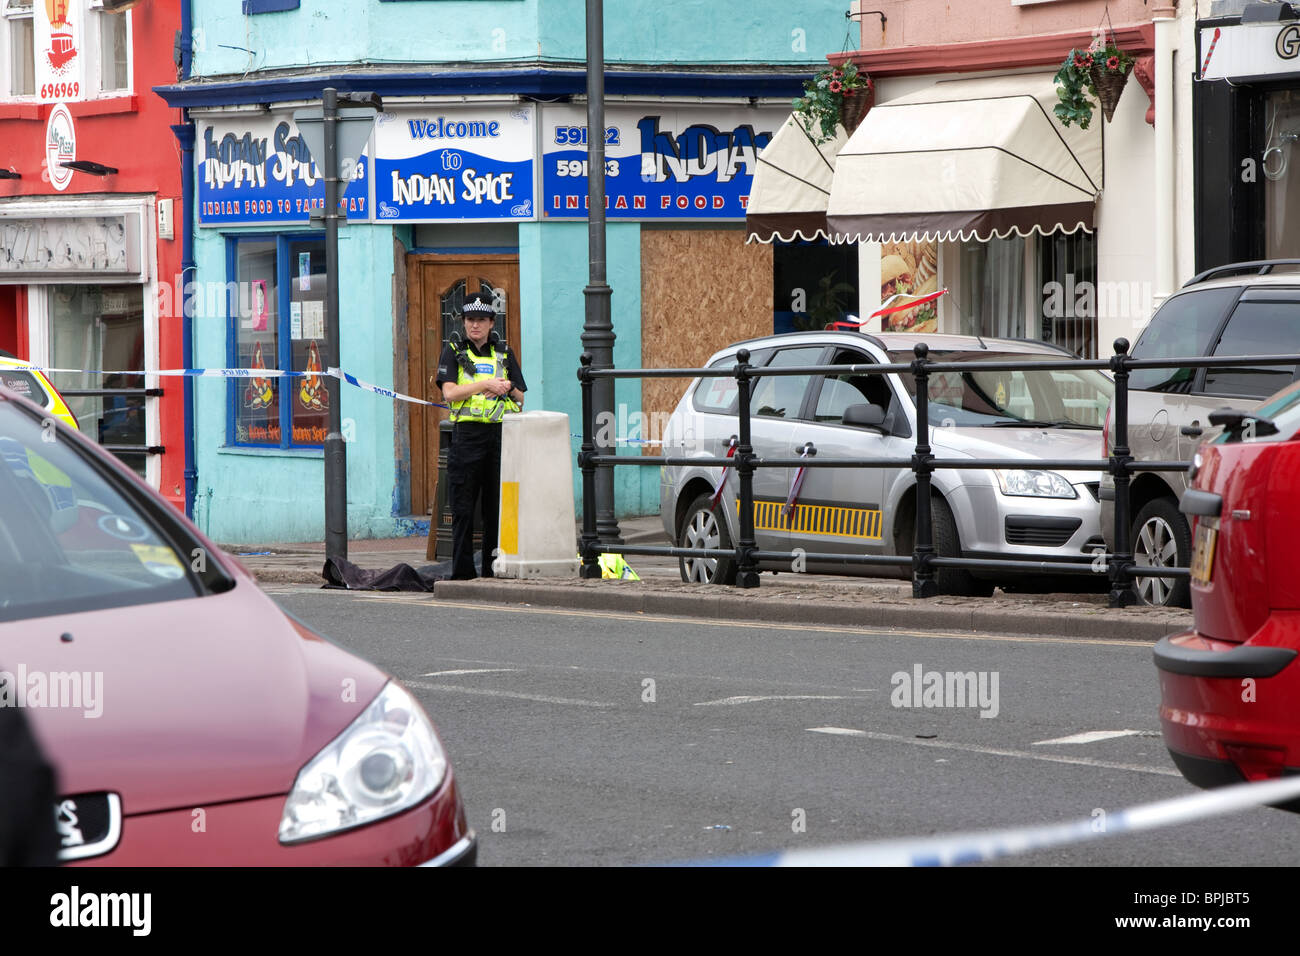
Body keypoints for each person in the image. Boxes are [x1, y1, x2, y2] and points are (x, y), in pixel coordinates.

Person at [436, 292, 527, 580]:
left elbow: (521, 397)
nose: (475, 325)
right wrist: (484, 384)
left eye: (481, 320)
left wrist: (506, 386)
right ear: (463, 322)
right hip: (467, 436)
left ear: (491, 323)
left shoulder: (504, 352)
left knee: (495, 509)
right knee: (463, 508)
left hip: (500, 437)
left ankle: (492, 571)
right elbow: (449, 392)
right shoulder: (452, 350)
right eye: (470, 320)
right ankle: (462, 574)